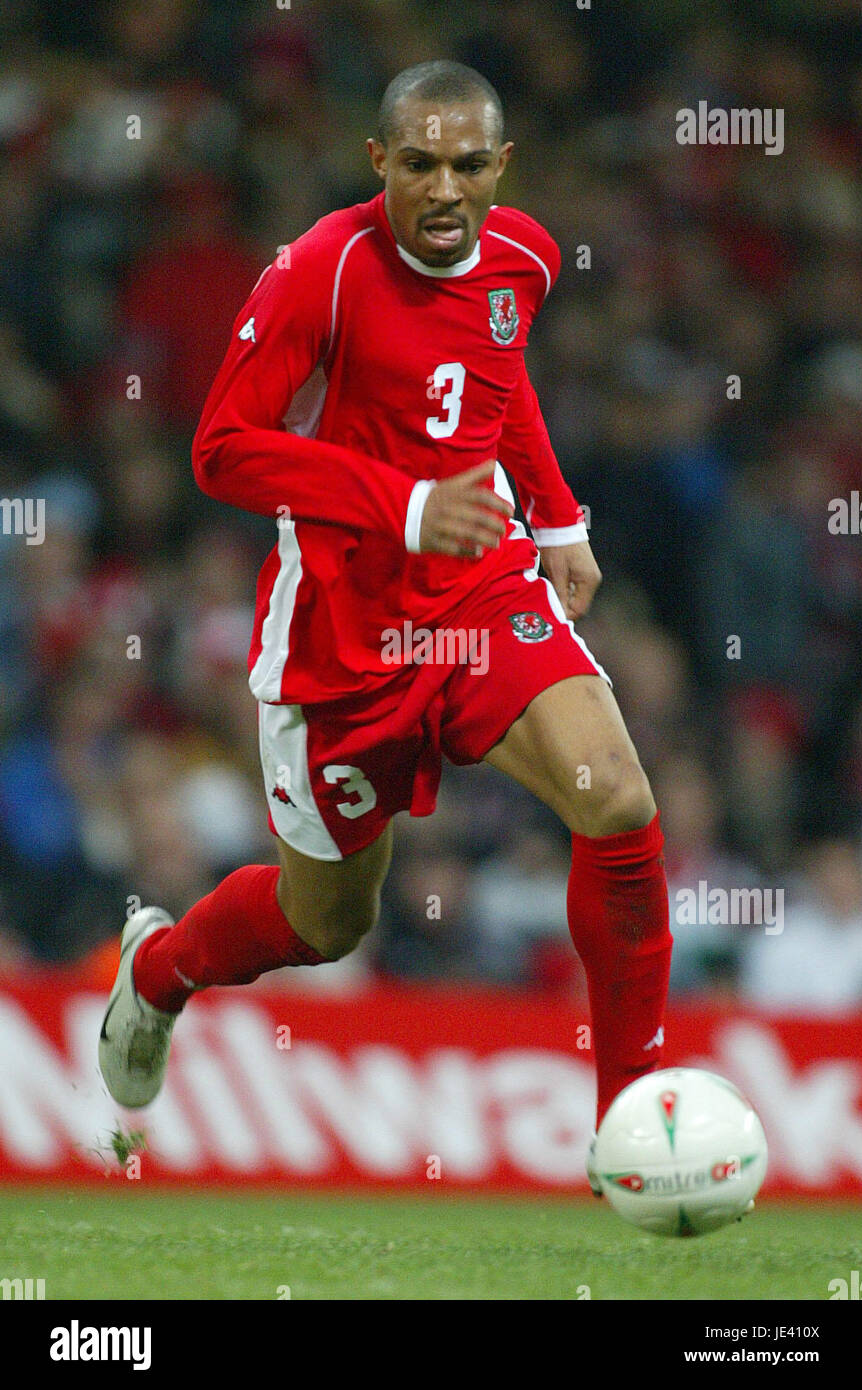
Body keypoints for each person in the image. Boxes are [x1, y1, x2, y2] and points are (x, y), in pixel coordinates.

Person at [98, 62, 672, 1180]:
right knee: (329, 924)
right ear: (380, 165)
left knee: (617, 795)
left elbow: (496, 378)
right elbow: (220, 447)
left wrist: (556, 516)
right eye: (419, 163)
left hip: (480, 594)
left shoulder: (525, 260)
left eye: (467, 164)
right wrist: (406, 503)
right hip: (340, 636)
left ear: (501, 167)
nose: (444, 188)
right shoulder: (321, 271)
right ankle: (160, 971)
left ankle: (629, 1123)